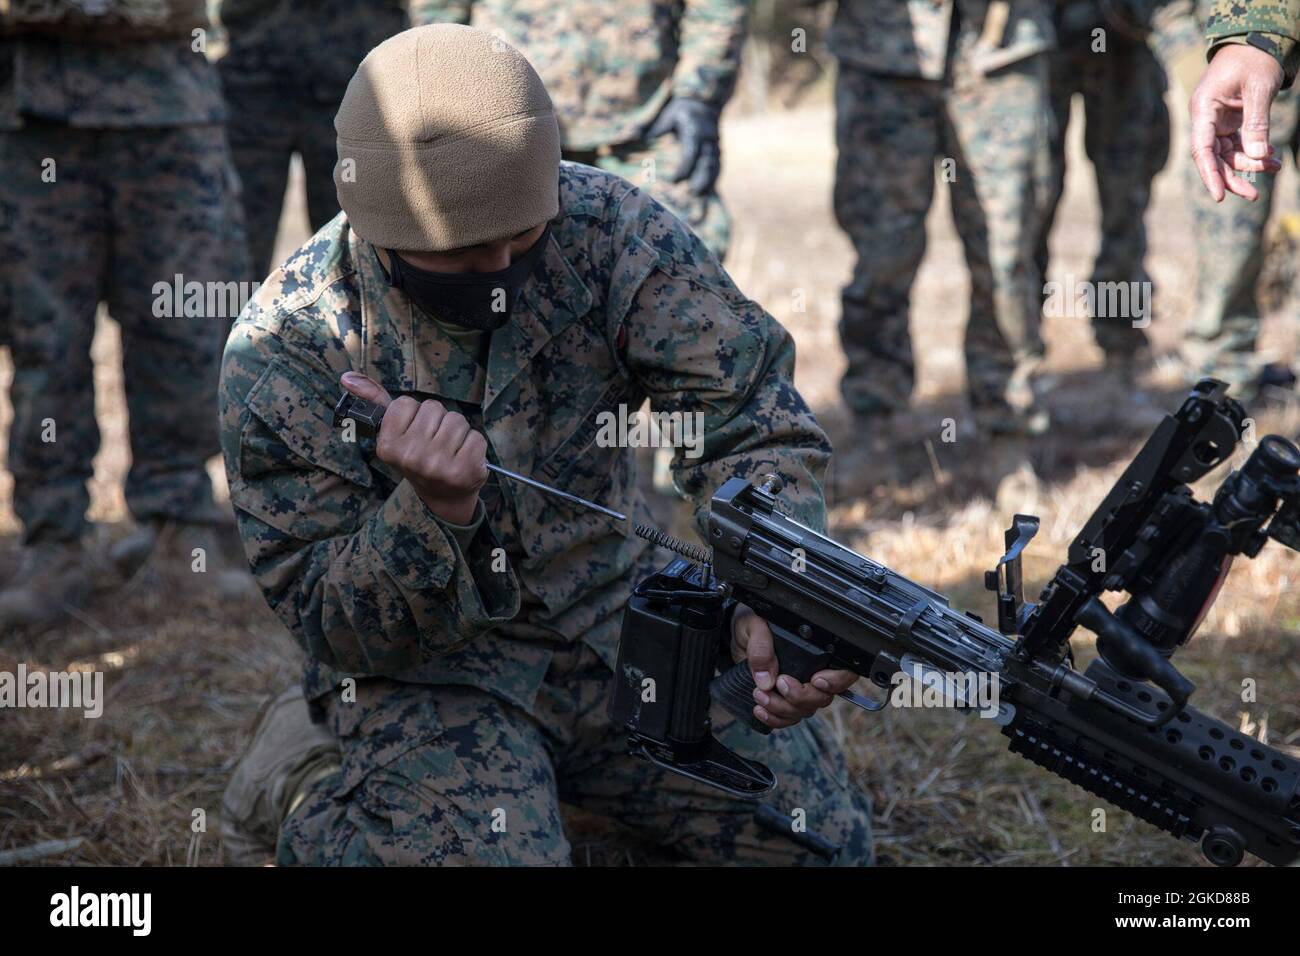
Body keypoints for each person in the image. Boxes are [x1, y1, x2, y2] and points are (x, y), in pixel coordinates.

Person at [218, 24, 872, 866]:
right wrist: (435, 516)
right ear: (379, 223)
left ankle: (553, 794)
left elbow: (747, 415)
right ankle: (303, 778)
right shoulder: (289, 347)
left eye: (523, 234)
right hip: (437, 670)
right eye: (462, 252)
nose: (500, 266)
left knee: (826, 847)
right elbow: (329, 620)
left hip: (619, 624)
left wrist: (768, 592)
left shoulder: (612, 231)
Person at [0, 0, 248, 629]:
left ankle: (180, 526)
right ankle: (53, 543)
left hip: (170, 111)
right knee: (45, 339)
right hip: (35, 118)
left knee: (182, 328)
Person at [827, 0, 1055, 435]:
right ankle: (876, 421)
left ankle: (1007, 428)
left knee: (1007, 255)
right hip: (880, 53)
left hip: (999, 51)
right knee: (881, 252)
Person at [407, 0, 745, 261]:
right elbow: (438, 10)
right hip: (508, 117)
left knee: (684, 256)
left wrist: (698, 91)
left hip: (648, 122)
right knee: (490, 265)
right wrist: (448, 89)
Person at [217, 0, 408, 279]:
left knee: (364, 253)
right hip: (253, 79)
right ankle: (235, 322)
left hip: (359, 83)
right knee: (233, 252)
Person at [1035, 1, 1169, 379]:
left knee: (1125, 203)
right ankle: (1017, 351)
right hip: (1036, 36)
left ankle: (1120, 344)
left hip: (1124, 35)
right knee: (1028, 201)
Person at [1173, 0, 1299, 395]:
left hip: (1251, 55)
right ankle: (1222, 394)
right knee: (1228, 253)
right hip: (1238, 77)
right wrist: (1209, 58)